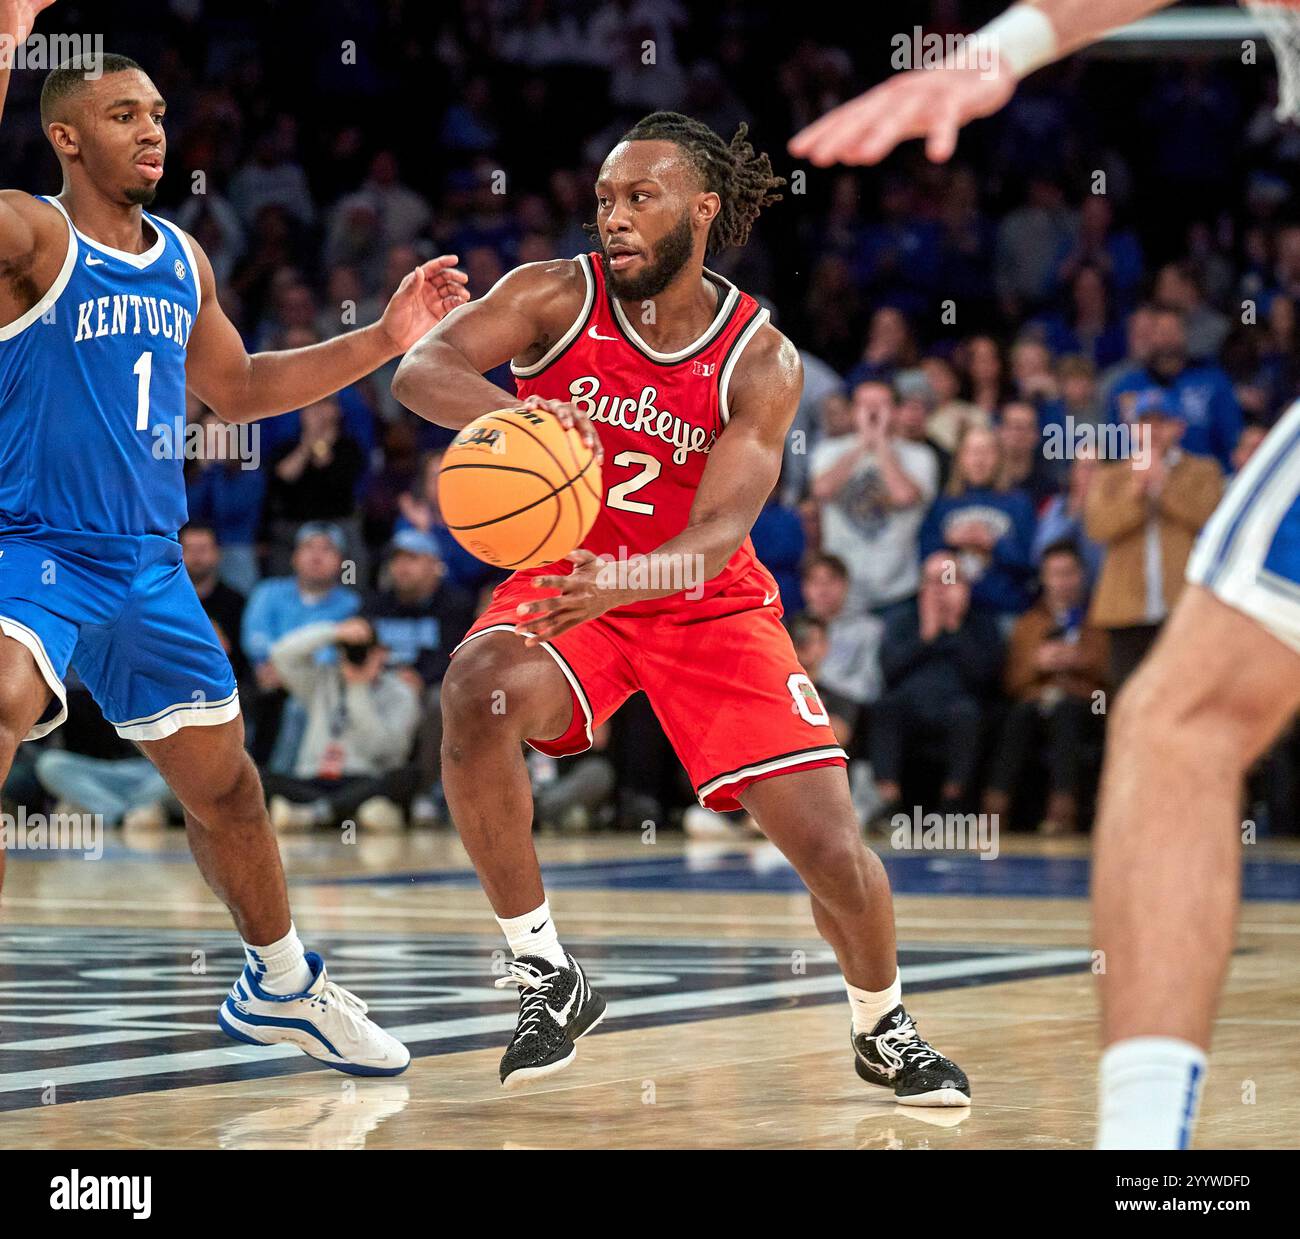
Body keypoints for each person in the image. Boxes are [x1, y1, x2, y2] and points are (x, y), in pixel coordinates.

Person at [791, 0, 1300, 1148]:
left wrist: (1002, 53)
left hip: (1173, 597)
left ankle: (1145, 1161)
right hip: (1138, 598)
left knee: (1176, 729)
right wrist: (1001, 52)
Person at [393, 111, 969, 1102]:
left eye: (639, 198)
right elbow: (422, 368)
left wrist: (631, 578)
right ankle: (544, 969)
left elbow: (712, 538)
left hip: (703, 599)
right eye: (605, 200)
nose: (612, 217)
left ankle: (881, 1023)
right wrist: (521, 416)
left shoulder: (760, 358)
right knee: (477, 687)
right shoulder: (550, 294)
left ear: (701, 211)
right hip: (576, 574)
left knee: (831, 852)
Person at [0, 20, 468, 1075]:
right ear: (66, 139)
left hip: (150, 564)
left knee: (228, 791)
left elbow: (243, 388)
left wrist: (385, 342)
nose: (154, 132)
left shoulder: (181, 260)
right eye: (125, 116)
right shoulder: (30, 236)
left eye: (160, 114)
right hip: (30, 545)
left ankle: (284, 984)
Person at [1084, 394, 1222, 686]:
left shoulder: (1204, 471)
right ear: (1132, 429)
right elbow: (1098, 528)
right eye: (1145, 422)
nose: (1153, 431)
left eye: (1163, 422)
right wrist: (1136, 492)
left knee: (1182, 691)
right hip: (1125, 609)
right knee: (1126, 693)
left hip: (1181, 603)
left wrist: (1162, 487)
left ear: (1180, 428)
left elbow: (1210, 521)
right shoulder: (1111, 476)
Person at [983, 540, 1109, 835]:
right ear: (1044, 578)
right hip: (1036, 703)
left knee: (1067, 711)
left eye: (1069, 573)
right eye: (1055, 574)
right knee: (1019, 716)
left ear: (1082, 575)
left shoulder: (1100, 618)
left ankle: (1062, 812)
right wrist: (1037, 665)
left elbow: (1111, 677)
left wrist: (1080, 660)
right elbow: (1011, 683)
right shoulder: (1029, 623)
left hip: (1089, 704)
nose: (1062, 582)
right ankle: (995, 810)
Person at [870, 552, 1003, 817]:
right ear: (921, 587)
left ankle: (953, 802)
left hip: (958, 703)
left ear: (964, 587)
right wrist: (926, 637)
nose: (940, 591)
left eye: (949, 582)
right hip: (910, 701)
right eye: (933, 582)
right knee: (885, 707)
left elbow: (987, 678)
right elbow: (888, 673)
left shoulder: (981, 622)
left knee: (966, 714)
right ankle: (888, 802)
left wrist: (954, 629)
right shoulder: (903, 619)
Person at [264, 616, 421, 833]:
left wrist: (359, 688)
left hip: (363, 778)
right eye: (347, 651)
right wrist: (333, 632)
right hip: (314, 780)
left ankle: (312, 813)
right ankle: (349, 812)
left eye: (365, 650)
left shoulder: (400, 692)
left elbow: (385, 751)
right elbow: (281, 654)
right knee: (260, 776)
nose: (356, 657)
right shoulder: (322, 681)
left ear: (381, 653)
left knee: (406, 776)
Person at [810, 379, 939, 621]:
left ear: (897, 411)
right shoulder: (827, 450)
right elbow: (822, 490)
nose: (872, 411)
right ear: (852, 411)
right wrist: (861, 445)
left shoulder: (921, 455)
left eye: (881, 404)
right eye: (864, 404)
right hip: (843, 590)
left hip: (899, 589)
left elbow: (903, 496)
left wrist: (880, 443)